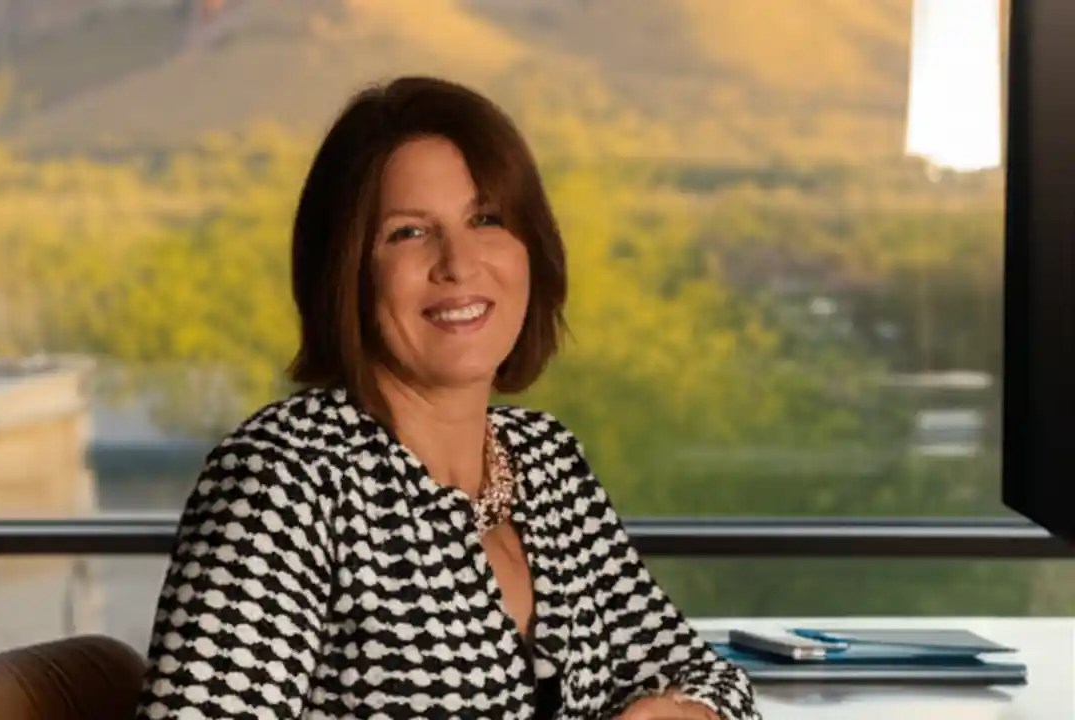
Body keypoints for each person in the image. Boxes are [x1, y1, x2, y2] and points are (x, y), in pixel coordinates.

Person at [134, 76, 760, 720]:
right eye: (409, 233)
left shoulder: (547, 462)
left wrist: (686, 712)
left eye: (486, 219)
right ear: (344, 269)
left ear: (530, 250)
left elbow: (705, 675)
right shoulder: (286, 476)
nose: (458, 263)